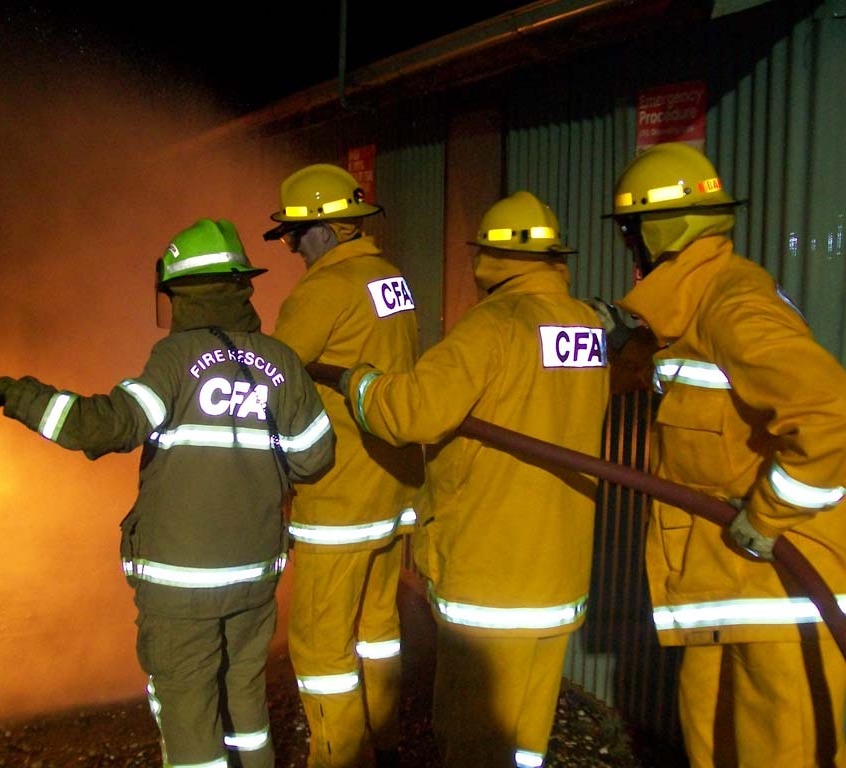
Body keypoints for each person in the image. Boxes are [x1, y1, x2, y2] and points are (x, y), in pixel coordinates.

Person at [0, 218, 336, 768]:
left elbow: (104, 426)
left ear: (181, 292)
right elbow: (314, 456)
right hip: (254, 573)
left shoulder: (174, 359)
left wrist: (18, 395)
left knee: (189, 710)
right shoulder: (281, 362)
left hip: (181, 583)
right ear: (239, 285)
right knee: (244, 699)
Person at [341, 190, 610, 768]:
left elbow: (412, 412)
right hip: (559, 577)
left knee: (474, 741)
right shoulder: (586, 325)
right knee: (527, 742)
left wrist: (360, 384)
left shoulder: (495, 325)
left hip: (493, 579)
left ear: (489, 257)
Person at [603, 141, 846, 767]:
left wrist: (767, 518)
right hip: (726, 587)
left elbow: (830, 417)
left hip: (784, 594)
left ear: (654, 234)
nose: (627, 249)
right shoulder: (691, 309)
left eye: (630, 232)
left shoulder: (735, 306)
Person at [263, 162, 422, 768]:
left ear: (327, 230)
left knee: (319, 643)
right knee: (376, 624)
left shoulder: (324, 290)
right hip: (391, 485)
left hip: (338, 494)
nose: (293, 248)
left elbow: (271, 380)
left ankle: (340, 757)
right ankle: (386, 739)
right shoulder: (390, 279)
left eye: (295, 235)